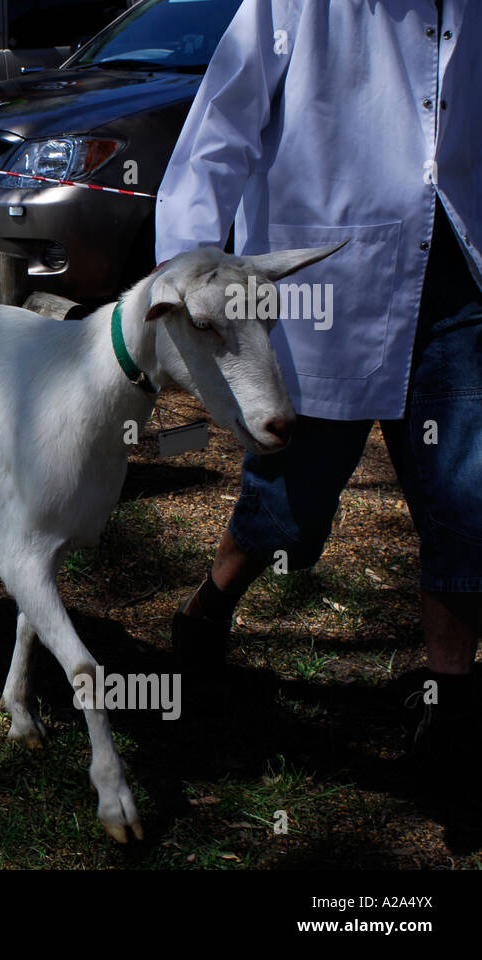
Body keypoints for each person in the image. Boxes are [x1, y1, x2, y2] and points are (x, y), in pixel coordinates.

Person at [155, 0, 480, 825]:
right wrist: (192, 266)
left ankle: (452, 710)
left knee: (467, 504)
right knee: (290, 507)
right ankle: (203, 618)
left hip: (459, 283)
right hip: (328, 288)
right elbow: (218, 128)